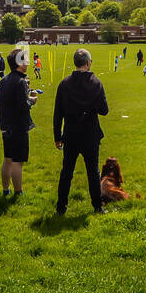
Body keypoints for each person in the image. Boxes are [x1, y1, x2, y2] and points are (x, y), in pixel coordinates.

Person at [52, 48, 110, 216]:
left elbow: (58, 114)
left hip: (70, 134)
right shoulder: (96, 83)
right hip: (90, 133)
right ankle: (97, 206)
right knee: (93, 172)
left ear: (75, 63)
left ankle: (60, 208)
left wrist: (57, 137)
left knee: (66, 172)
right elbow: (104, 110)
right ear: (89, 63)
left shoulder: (64, 84)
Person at [0, 48, 36, 198]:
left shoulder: (4, 80)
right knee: (17, 161)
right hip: (18, 127)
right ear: (19, 63)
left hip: (5, 125)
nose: (27, 62)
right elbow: (22, 106)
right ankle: (18, 192)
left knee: (7, 159)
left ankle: (5, 190)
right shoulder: (20, 81)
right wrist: (32, 100)